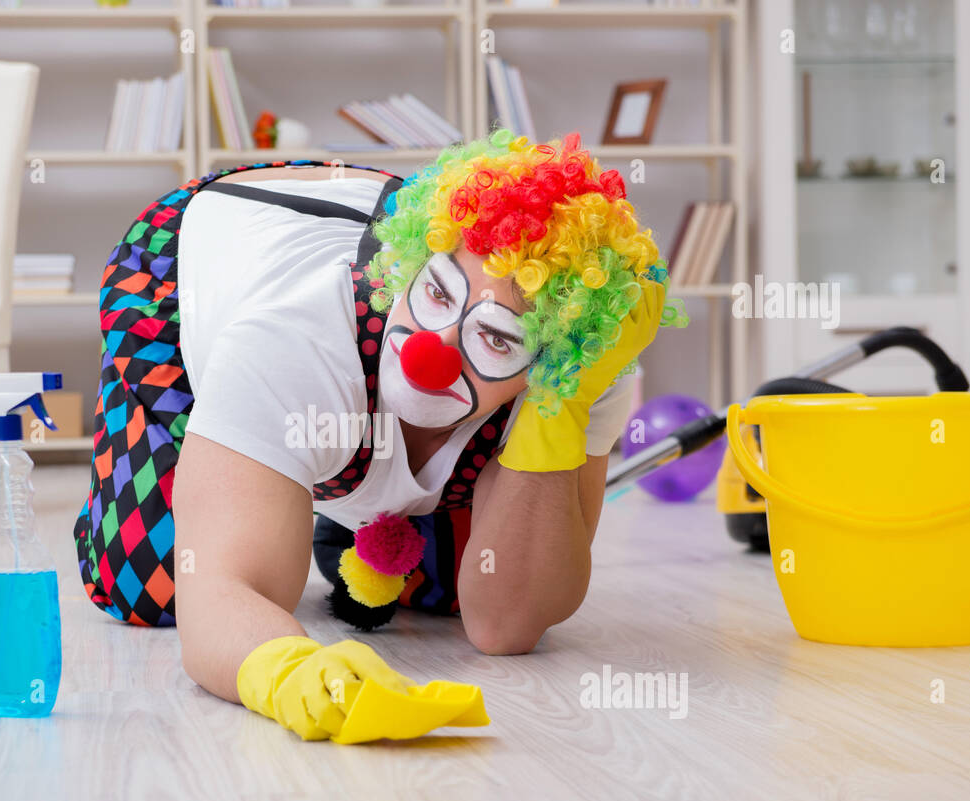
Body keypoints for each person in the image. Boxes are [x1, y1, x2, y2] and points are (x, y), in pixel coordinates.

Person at [75, 129, 686, 744]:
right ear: (415, 261)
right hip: (184, 263)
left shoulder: (583, 370)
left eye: (497, 338)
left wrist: (560, 406)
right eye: (437, 292)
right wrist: (296, 676)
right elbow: (221, 596)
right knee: (148, 587)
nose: (431, 353)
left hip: (408, 368)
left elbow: (506, 624)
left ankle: (339, 510)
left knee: (453, 590)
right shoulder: (295, 338)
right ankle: (312, 493)